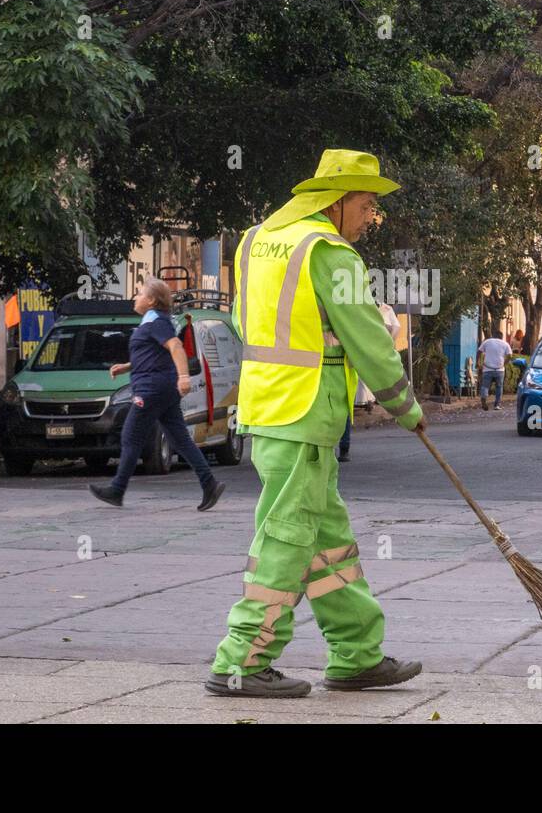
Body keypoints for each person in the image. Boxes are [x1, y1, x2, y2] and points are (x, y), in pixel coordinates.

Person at [207, 148, 425, 699]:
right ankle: (242, 660)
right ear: (339, 200)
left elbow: (243, 321)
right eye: (368, 204)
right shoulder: (331, 252)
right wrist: (405, 406)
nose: (372, 216)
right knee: (285, 539)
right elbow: (368, 338)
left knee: (329, 545)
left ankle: (357, 656)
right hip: (306, 412)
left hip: (269, 409)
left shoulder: (256, 240)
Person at [89, 279, 226, 510]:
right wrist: (127, 366)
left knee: (131, 437)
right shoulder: (153, 322)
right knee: (179, 439)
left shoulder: (155, 322)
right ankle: (209, 484)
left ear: (152, 300)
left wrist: (184, 377)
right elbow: (153, 353)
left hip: (151, 389)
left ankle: (117, 489)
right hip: (163, 388)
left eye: (140, 293)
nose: (136, 298)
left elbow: (175, 347)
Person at [338, 301, 400, 462]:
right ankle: (343, 448)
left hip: (334, 373)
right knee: (344, 410)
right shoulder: (365, 311)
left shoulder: (348, 310)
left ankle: (339, 448)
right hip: (346, 370)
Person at [477, 328, 513, 410]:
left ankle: (484, 398)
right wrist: (505, 363)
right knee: (499, 387)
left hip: (487, 368)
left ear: (493, 336)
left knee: (485, 386)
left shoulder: (487, 342)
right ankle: (497, 405)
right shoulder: (505, 344)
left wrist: (477, 362)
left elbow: (479, 351)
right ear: (502, 337)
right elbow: (510, 355)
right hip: (499, 369)